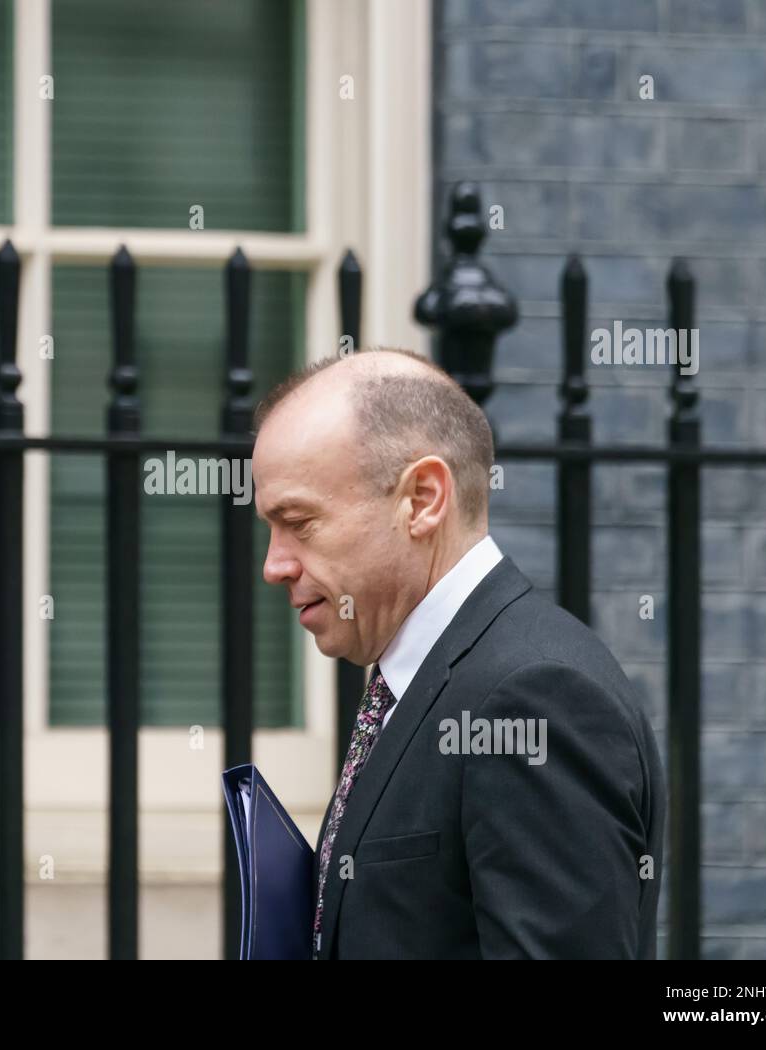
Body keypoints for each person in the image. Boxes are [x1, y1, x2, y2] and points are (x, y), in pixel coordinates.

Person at [250, 347, 665, 959]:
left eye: (300, 523)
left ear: (422, 500)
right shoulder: (421, 679)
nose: (274, 565)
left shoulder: (533, 698)